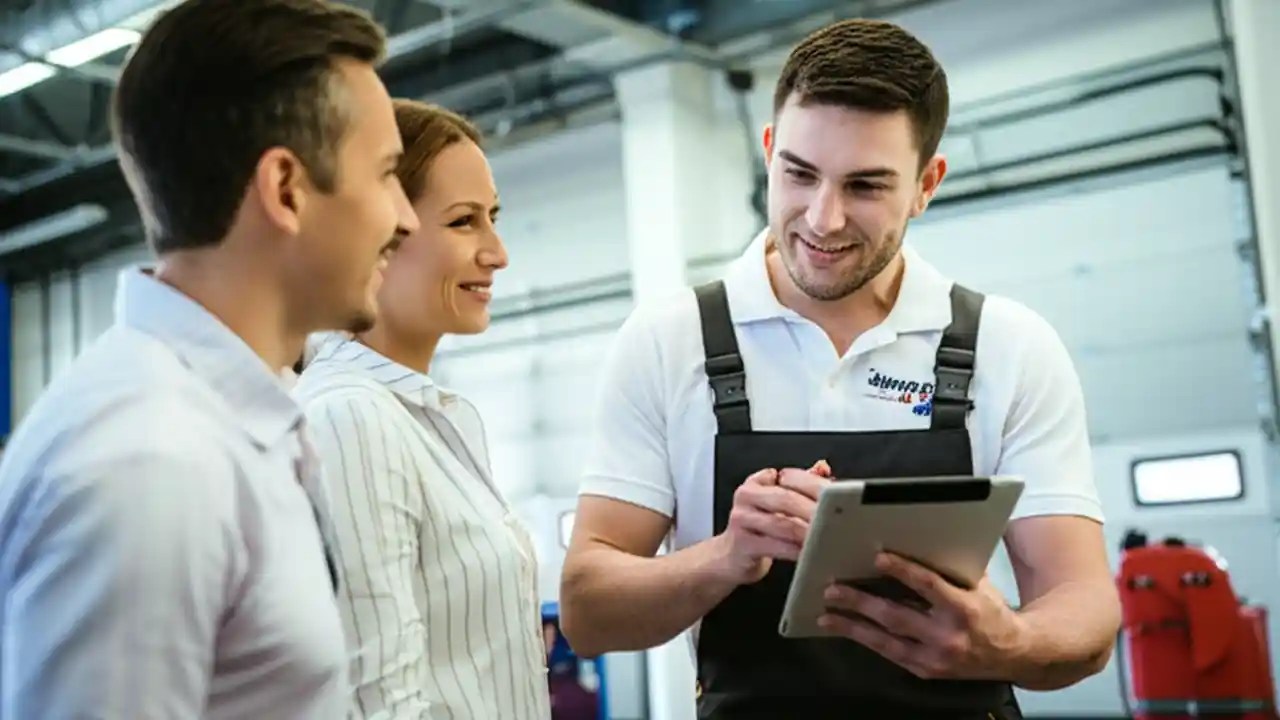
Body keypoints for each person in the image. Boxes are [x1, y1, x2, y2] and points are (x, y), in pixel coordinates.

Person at [559, 17, 1120, 720]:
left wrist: (1009, 642)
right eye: (799, 174)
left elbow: (1085, 606)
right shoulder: (670, 343)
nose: (822, 219)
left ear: (926, 184)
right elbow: (586, 611)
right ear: (769, 152)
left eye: (865, 186)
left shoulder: (1008, 346)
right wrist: (727, 555)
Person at [0, 0, 417, 717]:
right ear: (286, 189)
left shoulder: (237, 425)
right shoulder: (149, 461)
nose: (404, 218)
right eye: (386, 174)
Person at [293, 100, 551, 720]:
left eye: (493, 218)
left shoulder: (423, 416)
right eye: (464, 222)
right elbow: (378, 697)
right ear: (378, 232)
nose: (497, 251)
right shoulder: (351, 417)